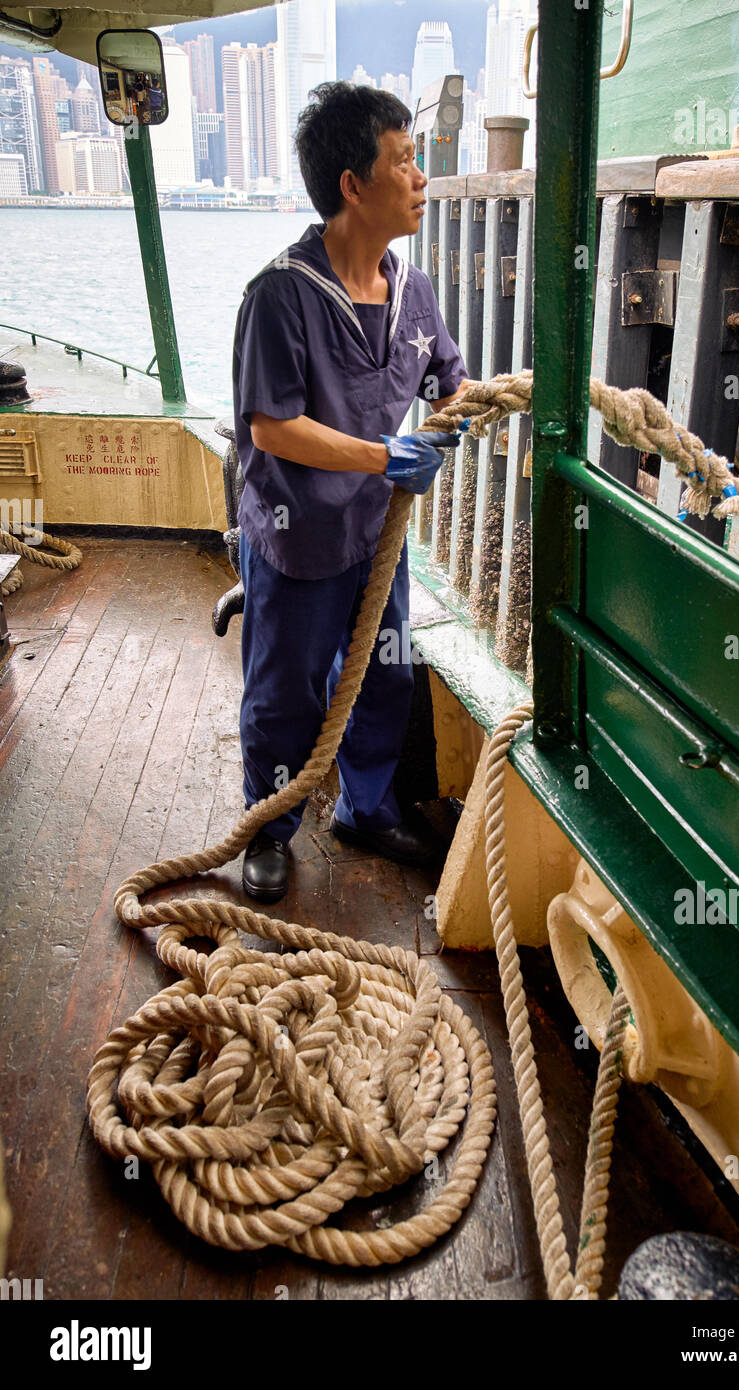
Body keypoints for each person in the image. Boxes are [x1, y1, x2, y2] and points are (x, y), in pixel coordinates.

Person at [232, 82, 470, 903]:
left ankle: (366, 807)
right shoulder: (281, 296)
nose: (421, 177)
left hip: (377, 533)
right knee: (286, 691)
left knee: (384, 672)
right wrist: (384, 457)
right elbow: (272, 427)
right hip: (298, 539)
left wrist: (449, 418)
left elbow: (449, 376)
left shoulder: (413, 290)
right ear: (352, 185)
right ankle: (268, 826)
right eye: (403, 161)